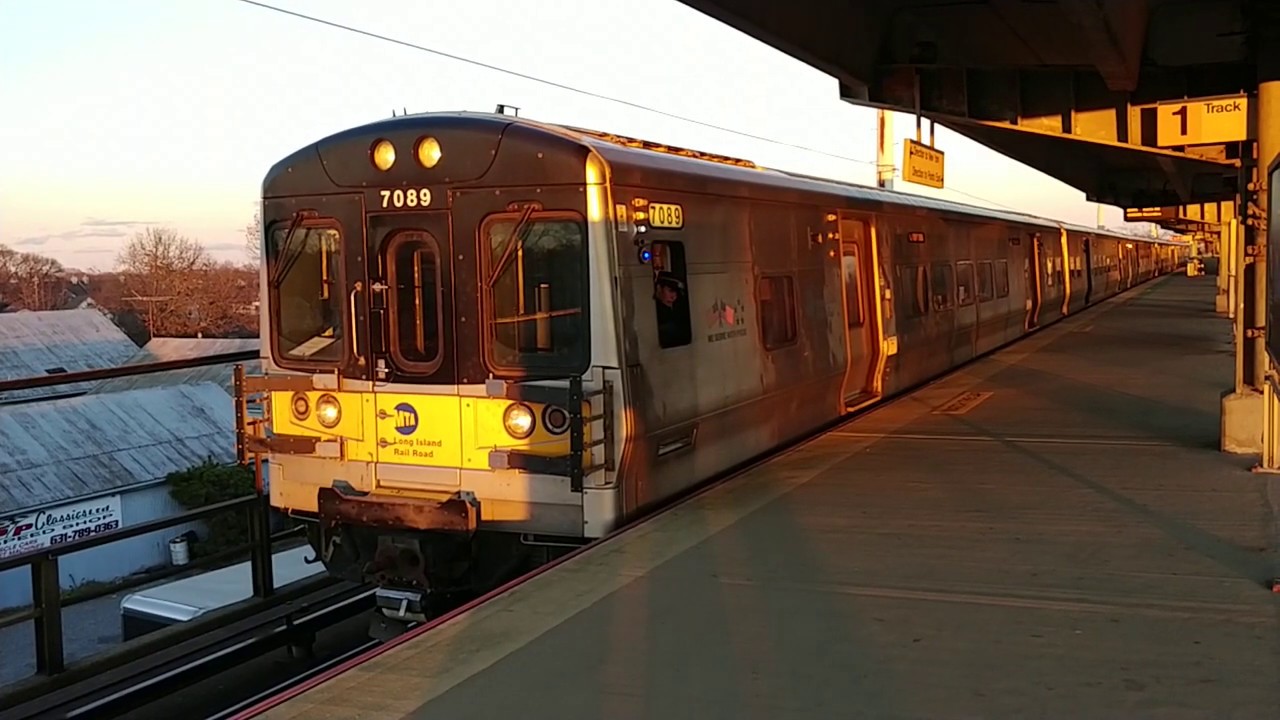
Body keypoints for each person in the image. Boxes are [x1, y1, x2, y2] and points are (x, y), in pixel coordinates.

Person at [653, 271, 691, 347]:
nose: (673, 296)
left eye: (676, 293)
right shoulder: (653, 312)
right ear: (659, 288)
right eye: (670, 291)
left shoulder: (678, 310)